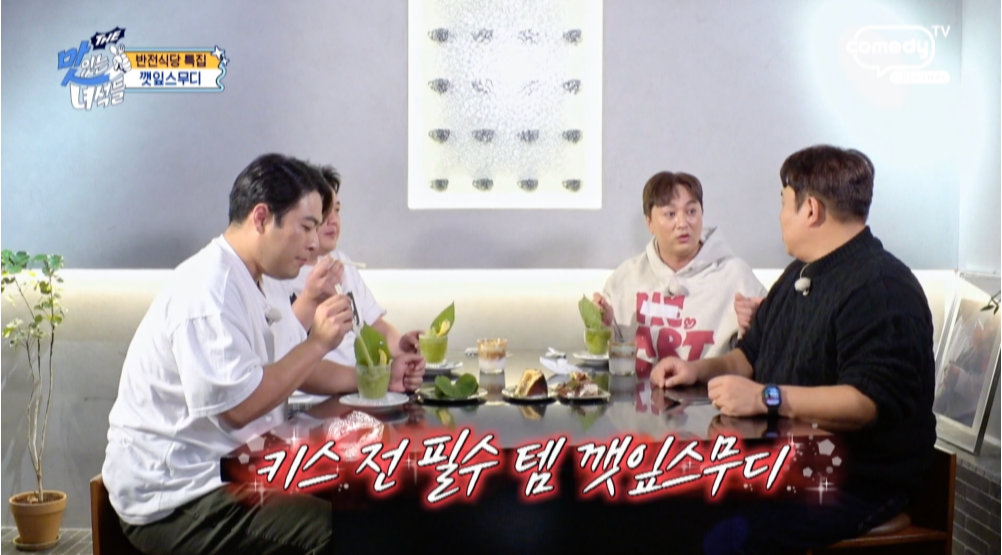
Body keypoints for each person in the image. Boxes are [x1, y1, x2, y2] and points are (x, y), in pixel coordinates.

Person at [102, 153, 424, 555]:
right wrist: (318, 342)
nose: (314, 242)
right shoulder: (210, 289)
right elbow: (238, 408)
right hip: (181, 496)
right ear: (261, 217)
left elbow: (291, 368)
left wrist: (380, 378)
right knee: (348, 534)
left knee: (376, 498)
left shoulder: (257, 277)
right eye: (306, 226)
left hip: (237, 468)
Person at [652, 145, 937, 553]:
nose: (781, 216)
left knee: (719, 528)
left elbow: (864, 403)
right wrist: (696, 369)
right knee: (666, 496)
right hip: (785, 462)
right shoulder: (797, 276)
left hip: (854, 480)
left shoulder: (883, 287)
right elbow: (748, 356)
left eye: (784, 203)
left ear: (811, 210)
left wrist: (765, 397)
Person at [592, 171, 767, 375]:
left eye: (691, 211)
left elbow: (766, 353)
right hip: (638, 393)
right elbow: (603, 363)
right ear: (649, 223)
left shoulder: (736, 276)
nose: (683, 223)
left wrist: (750, 328)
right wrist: (602, 327)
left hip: (710, 393)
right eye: (670, 214)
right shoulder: (625, 279)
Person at [265, 165, 419, 372]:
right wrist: (311, 297)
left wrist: (401, 346)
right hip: (316, 389)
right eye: (324, 212)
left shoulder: (342, 262)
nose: (333, 221)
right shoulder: (276, 272)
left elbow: (374, 326)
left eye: (336, 211)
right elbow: (279, 351)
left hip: (358, 382)